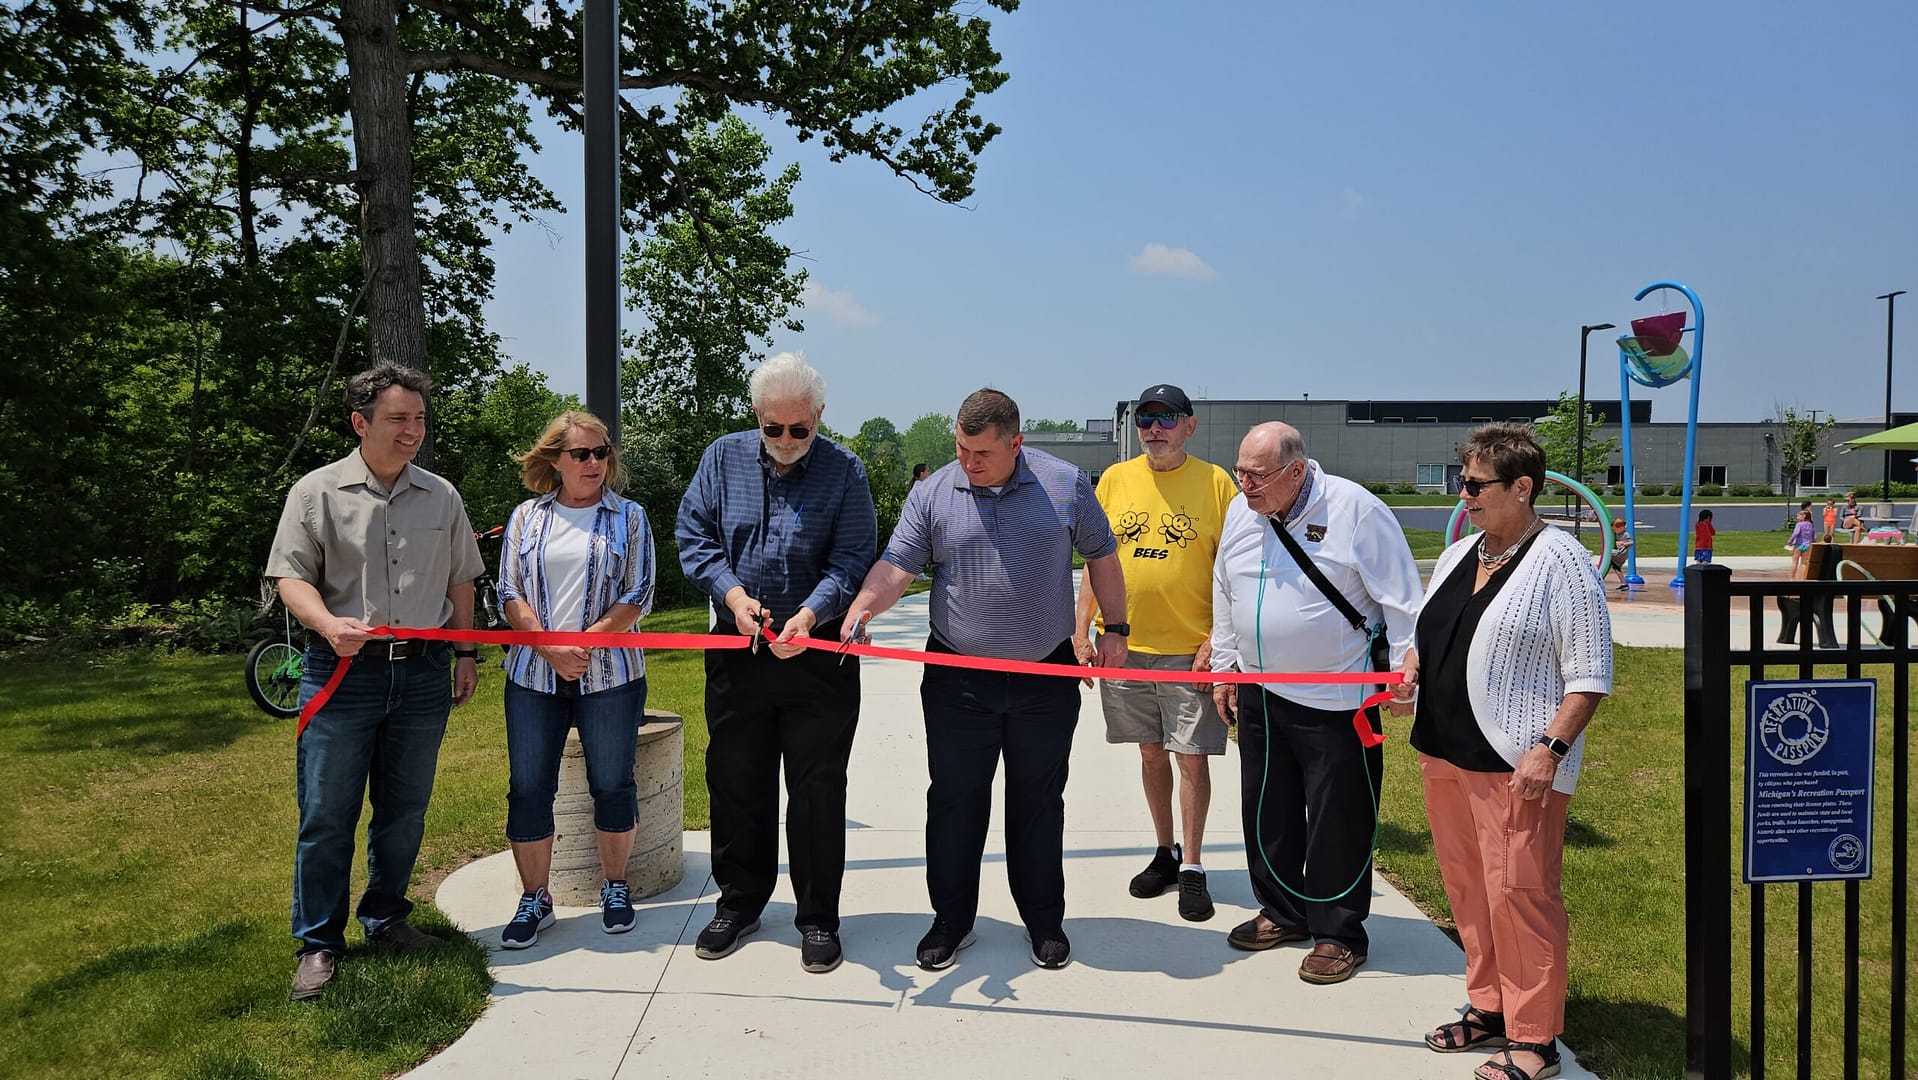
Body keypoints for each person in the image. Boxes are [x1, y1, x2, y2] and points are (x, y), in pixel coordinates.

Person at [843, 388, 1128, 972]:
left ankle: (1043, 920)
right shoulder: (933, 492)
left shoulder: (1066, 485)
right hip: (958, 679)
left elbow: (1102, 555)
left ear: (1016, 443)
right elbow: (897, 565)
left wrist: (1116, 628)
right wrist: (863, 607)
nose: (968, 463)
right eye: (961, 449)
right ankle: (951, 920)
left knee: (1038, 800)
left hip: (1044, 674)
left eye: (982, 453)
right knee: (954, 799)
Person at [1387, 422, 1612, 1080]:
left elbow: (1590, 673)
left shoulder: (1561, 560)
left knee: (1521, 893)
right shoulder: (1461, 553)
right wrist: (1411, 671)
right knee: (1469, 888)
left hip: (1514, 764)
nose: (1464, 495)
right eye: (1462, 483)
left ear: (1522, 487)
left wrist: (1550, 748)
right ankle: (1489, 1006)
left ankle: (1535, 1040)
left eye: (1476, 485)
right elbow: (1429, 633)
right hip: (1443, 753)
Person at [265, 362, 484, 1001]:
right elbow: (290, 578)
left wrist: (465, 653)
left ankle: (387, 918)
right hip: (343, 674)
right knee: (327, 813)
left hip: (422, 673)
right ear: (360, 423)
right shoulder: (315, 493)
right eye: (398, 418)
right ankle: (319, 943)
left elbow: (461, 579)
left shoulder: (441, 496)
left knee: (405, 809)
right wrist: (328, 624)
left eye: (419, 418)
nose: (412, 430)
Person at [676, 353, 877, 974]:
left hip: (818, 654)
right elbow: (694, 537)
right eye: (773, 428)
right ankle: (738, 903)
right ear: (756, 414)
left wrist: (811, 616)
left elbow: (853, 558)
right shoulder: (722, 457)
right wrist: (734, 597)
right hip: (739, 647)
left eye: (799, 429)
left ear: (820, 415)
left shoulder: (845, 470)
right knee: (736, 778)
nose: (786, 440)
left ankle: (817, 917)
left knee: (817, 788)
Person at [1209, 422, 1420, 985]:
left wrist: (1405, 679)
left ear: (1296, 471)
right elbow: (1225, 589)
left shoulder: (1356, 510)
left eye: (1257, 475)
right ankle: (1283, 912)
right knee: (1266, 810)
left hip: (1336, 696)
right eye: (1240, 472)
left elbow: (1402, 600)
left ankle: (1339, 933)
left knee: (1337, 818)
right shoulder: (1241, 512)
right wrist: (1226, 667)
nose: (1245, 485)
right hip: (1259, 691)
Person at [1072, 384, 1237, 920]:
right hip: (1125, 647)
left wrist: (1217, 639)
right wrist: (1081, 630)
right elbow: (1096, 562)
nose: (1155, 429)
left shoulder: (1217, 483)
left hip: (1190, 652)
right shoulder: (1115, 480)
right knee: (1149, 753)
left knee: (1191, 757)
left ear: (1189, 425)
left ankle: (1192, 866)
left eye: (1167, 418)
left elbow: (1234, 570)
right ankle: (1164, 851)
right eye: (1146, 419)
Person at [494, 411, 656, 949]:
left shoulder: (630, 516)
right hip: (533, 676)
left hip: (610, 675)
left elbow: (638, 593)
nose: (594, 463)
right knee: (528, 787)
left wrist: (581, 646)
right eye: (581, 454)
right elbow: (508, 591)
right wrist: (549, 647)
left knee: (612, 783)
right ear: (555, 460)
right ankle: (535, 898)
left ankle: (615, 886)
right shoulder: (526, 517)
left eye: (601, 453)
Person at [1606, 518, 1634, 591]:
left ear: (1622, 528)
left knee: (1607, 553)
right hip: (1618, 553)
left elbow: (1631, 542)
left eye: (1616, 529)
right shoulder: (1617, 534)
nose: (1615, 531)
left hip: (1621, 553)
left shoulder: (1625, 534)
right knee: (1616, 568)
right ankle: (1624, 584)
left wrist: (1623, 543)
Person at [1789, 509, 1816, 579]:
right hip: (1807, 545)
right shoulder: (1811, 525)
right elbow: (1814, 536)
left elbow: (1796, 533)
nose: (1797, 516)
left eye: (1799, 515)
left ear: (1804, 516)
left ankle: (1792, 578)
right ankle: (1802, 579)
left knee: (1795, 562)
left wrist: (1790, 541)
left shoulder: (1799, 524)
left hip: (1798, 545)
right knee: (1804, 563)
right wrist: (1813, 542)